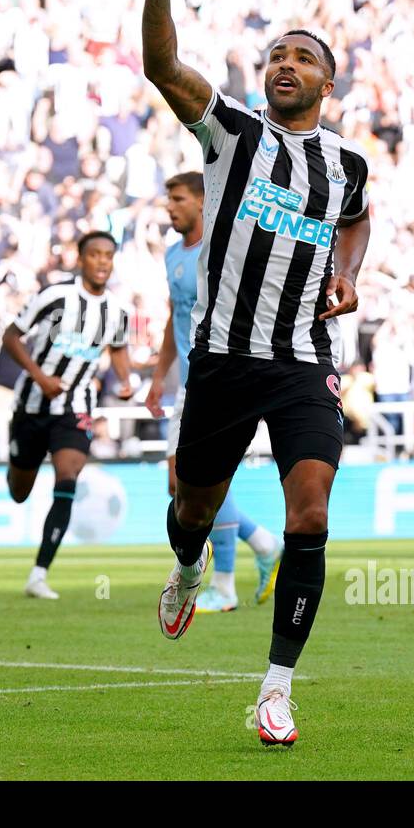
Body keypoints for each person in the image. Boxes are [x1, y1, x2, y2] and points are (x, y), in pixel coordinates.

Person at [141, 0, 371, 747]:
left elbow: (356, 218)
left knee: (309, 511)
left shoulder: (347, 162)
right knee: (190, 507)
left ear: (327, 82)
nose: (284, 64)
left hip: (306, 359)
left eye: (302, 58)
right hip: (225, 358)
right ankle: (190, 564)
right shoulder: (234, 134)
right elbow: (163, 66)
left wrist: (347, 274)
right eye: (275, 54)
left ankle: (275, 690)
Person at [145, 171, 282, 614]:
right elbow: (175, 317)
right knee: (182, 487)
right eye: (169, 198)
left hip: (216, 378)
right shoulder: (171, 256)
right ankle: (263, 544)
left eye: (179, 198)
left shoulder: (220, 250)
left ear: (204, 202)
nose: (170, 206)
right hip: (186, 381)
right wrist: (157, 376)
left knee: (197, 486)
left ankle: (223, 584)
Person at [1, 231, 134, 600]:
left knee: (68, 475)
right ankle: (15, 469)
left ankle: (39, 573)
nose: (103, 261)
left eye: (109, 255)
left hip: (75, 407)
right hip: (31, 404)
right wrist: (41, 377)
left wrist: (125, 380)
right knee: (19, 492)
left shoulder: (118, 311)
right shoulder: (54, 296)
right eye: (95, 254)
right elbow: (11, 337)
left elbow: (119, 348)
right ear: (81, 258)